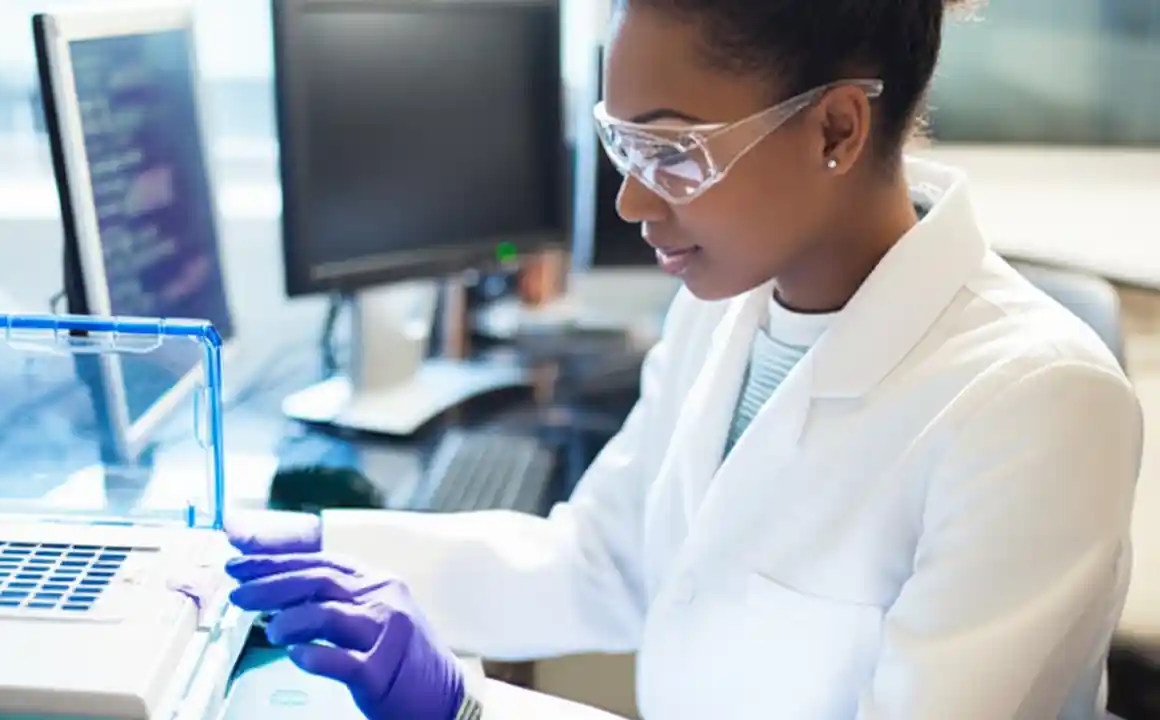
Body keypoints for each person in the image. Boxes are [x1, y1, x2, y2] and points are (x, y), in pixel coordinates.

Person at [219, 0, 1145, 717]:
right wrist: (307, 551)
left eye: (671, 151)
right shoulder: (727, 310)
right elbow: (603, 563)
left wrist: (466, 704)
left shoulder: (1040, 408)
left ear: (835, 130)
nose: (629, 202)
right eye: (623, 142)